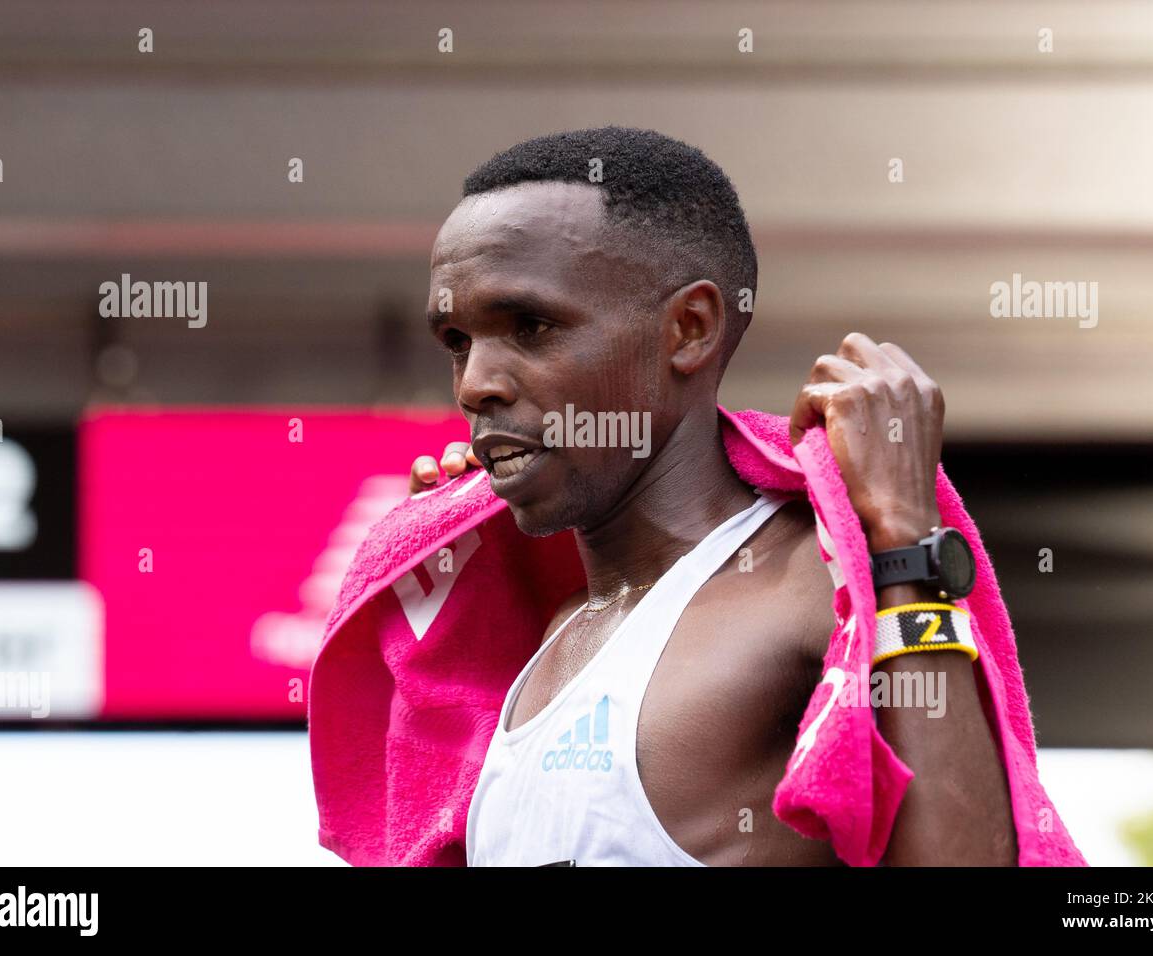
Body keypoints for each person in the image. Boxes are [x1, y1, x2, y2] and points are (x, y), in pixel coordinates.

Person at [408, 126, 1014, 865]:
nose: (475, 384)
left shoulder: (805, 590)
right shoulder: (549, 634)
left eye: (530, 326)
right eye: (457, 342)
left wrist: (905, 538)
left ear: (688, 330)